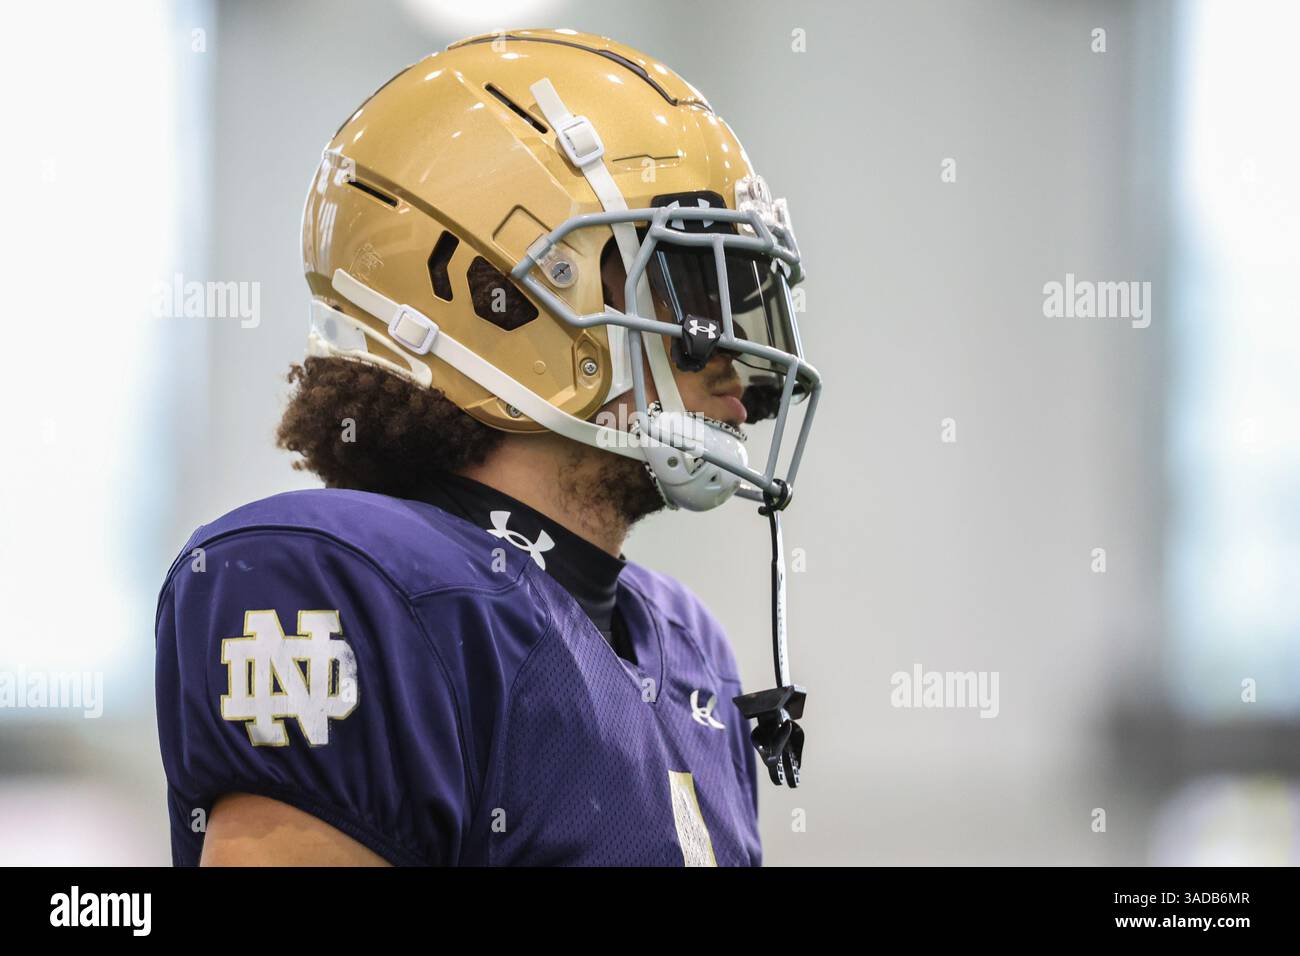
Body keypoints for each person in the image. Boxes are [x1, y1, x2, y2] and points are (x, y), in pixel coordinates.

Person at [155, 28, 820, 866]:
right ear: (501, 295)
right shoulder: (342, 588)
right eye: (689, 286)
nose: (740, 363)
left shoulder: (690, 648)